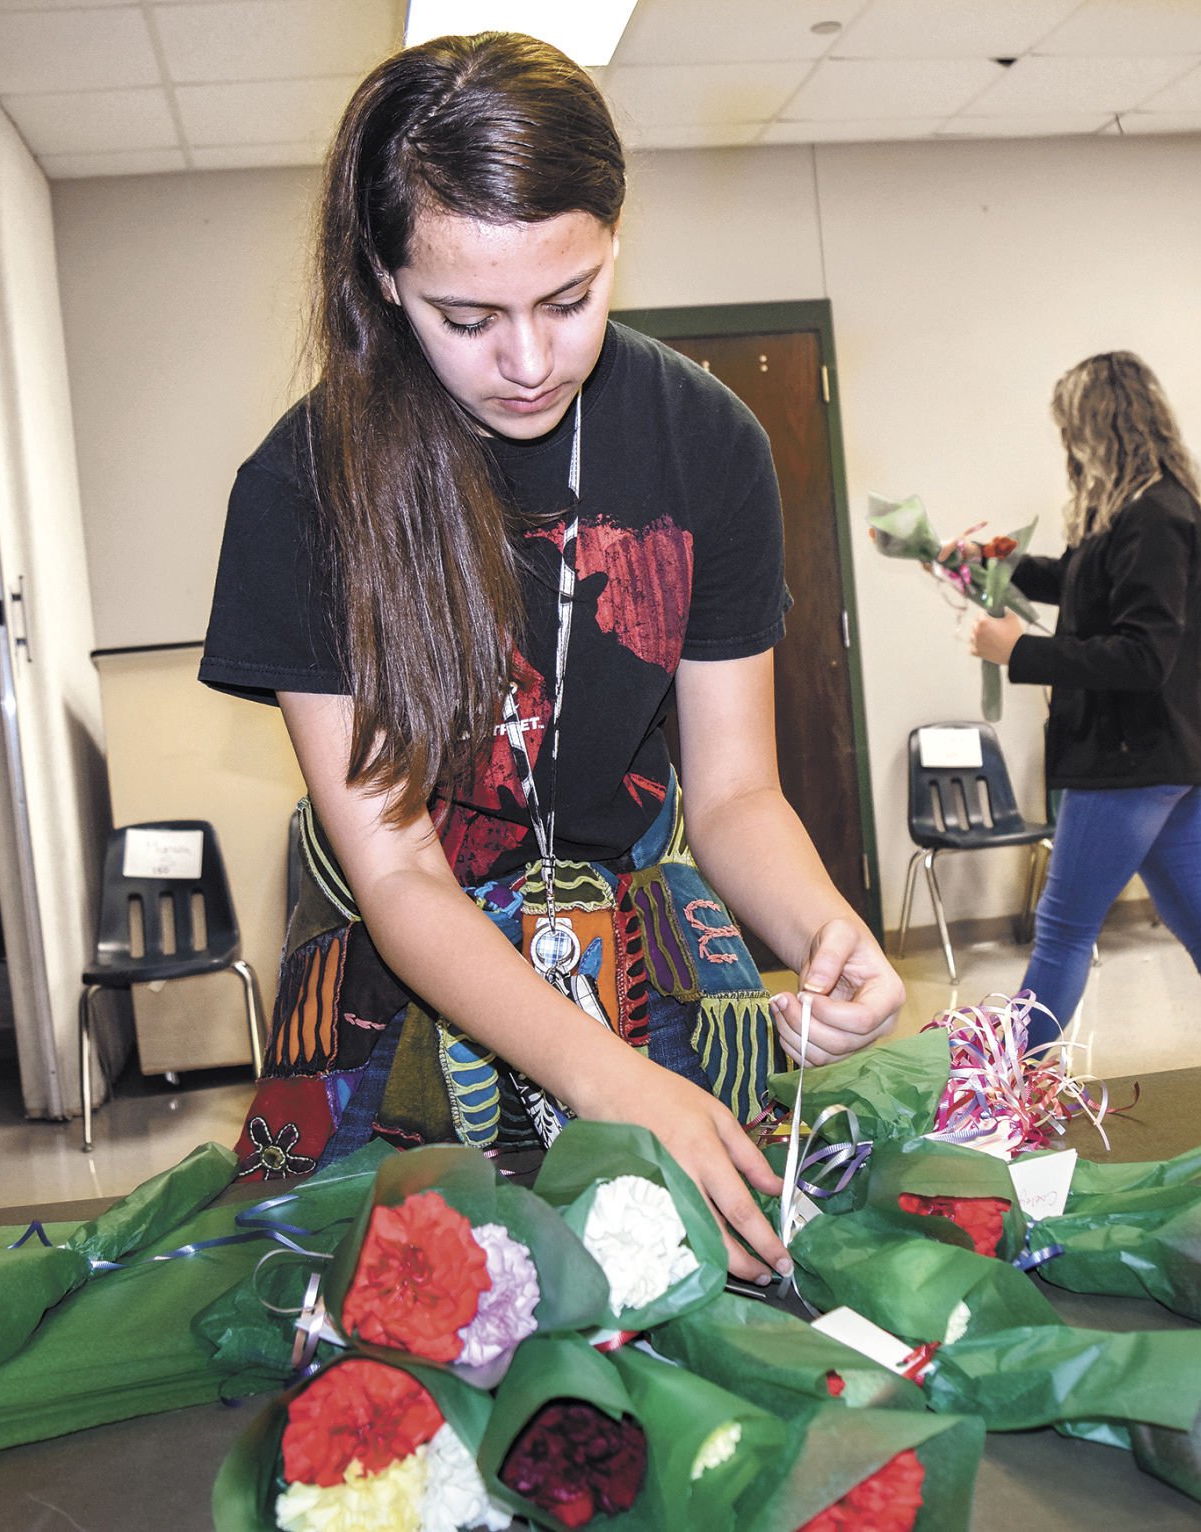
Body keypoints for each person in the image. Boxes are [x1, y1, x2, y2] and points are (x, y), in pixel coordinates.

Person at [199, 32, 904, 1282]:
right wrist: (606, 1079)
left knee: (720, 1272)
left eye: (567, 301)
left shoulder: (708, 445)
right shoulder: (303, 490)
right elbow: (399, 873)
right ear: (384, 279)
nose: (528, 363)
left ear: (614, 240)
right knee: (406, 1305)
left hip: (634, 928)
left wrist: (823, 926)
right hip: (407, 969)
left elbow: (734, 791)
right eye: (466, 317)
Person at [964, 351, 1201, 1059]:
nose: (1066, 443)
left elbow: (1143, 656)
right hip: (1153, 754)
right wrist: (995, 562)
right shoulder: (1129, 513)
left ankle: (996, 1095)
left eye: (1070, 427)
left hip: (1132, 757)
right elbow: (1079, 583)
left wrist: (1018, 651)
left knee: (1063, 931)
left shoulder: (1155, 515)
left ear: (1099, 425)